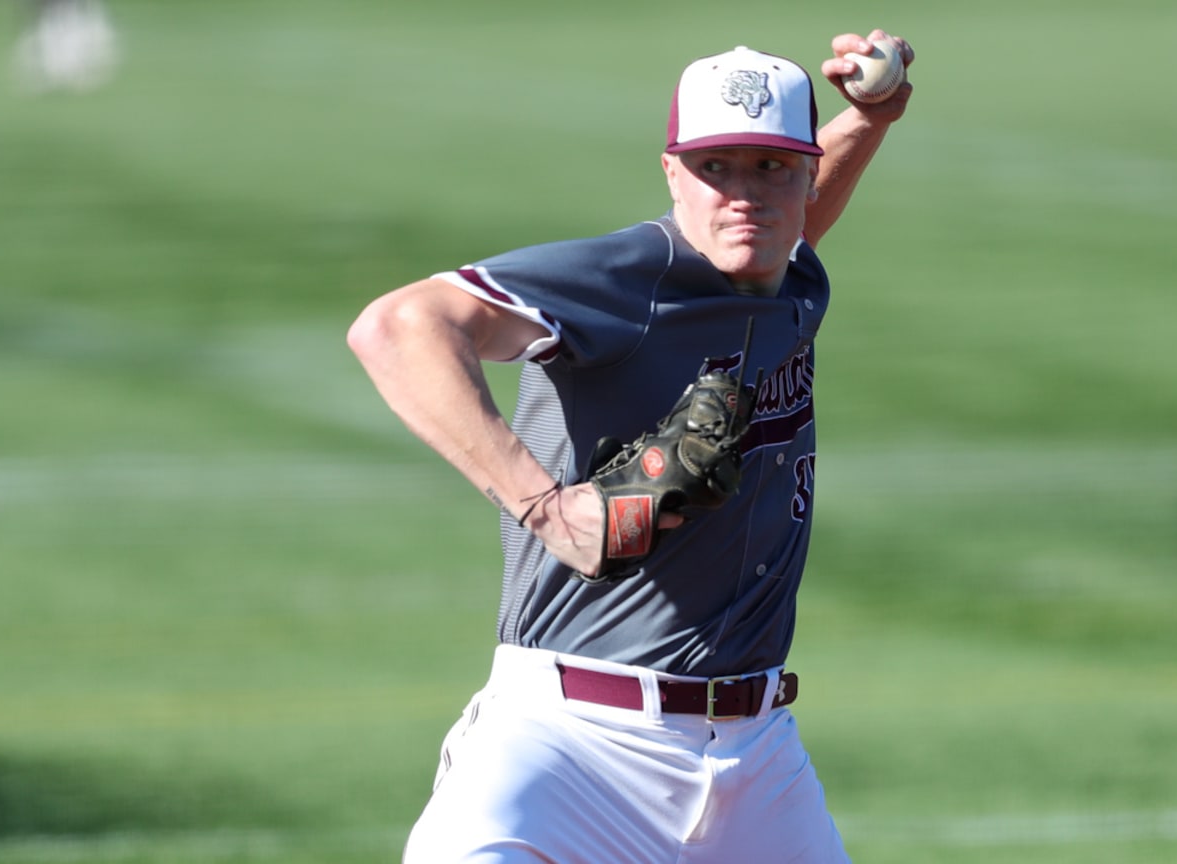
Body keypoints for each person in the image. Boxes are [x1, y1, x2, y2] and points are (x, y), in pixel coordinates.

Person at [348, 29, 913, 864]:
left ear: (802, 174)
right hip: (570, 747)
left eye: (770, 167)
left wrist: (872, 117)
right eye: (715, 168)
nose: (742, 196)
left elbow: (778, 228)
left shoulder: (788, 276)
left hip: (757, 763)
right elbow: (397, 326)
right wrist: (548, 507)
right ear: (671, 172)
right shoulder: (626, 280)